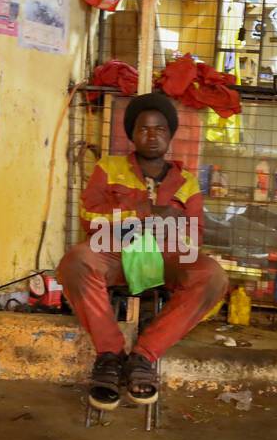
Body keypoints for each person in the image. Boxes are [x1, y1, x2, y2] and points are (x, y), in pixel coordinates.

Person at [57, 92, 228, 409]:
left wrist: (165, 228)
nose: (152, 136)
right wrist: (143, 214)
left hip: (166, 259)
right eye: (144, 129)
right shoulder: (109, 168)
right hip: (117, 253)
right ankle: (110, 355)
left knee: (212, 275)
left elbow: (194, 236)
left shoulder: (186, 182)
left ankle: (143, 357)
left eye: (160, 129)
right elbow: (90, 217)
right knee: (76, 261)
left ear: (170, 135)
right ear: (132, 134)